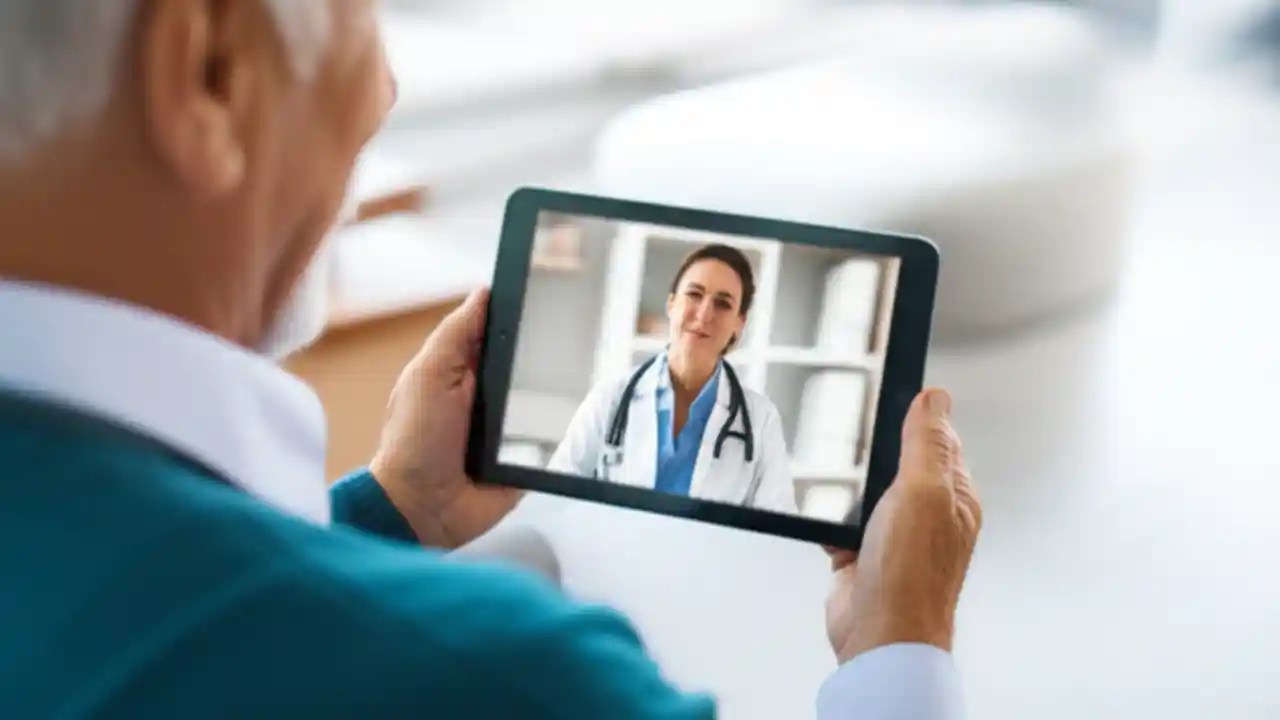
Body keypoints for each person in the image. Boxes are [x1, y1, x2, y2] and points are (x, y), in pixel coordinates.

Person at [0, 2, 982, 718]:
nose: (383, 92)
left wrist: (392, 510)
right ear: (209, 69)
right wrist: (897, 650)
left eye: (722, 304)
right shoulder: (508, 679)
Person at [550, 244, 797, 514]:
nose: (704, 315)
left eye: (723, 304)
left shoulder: (761, 420)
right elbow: (556, 500)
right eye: (694, 294)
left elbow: (776, 524)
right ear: (671, 304)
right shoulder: (610, 398)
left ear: (739, 323)